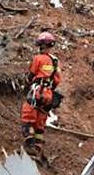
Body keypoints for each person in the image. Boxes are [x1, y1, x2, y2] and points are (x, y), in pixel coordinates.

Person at [21, 32, 63, 160]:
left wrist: (27, 84)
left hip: (37, 90)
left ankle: (30, 141)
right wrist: (49, 90)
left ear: (40, 45)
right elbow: (57, 80)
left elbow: (32, 73)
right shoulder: (55, 61)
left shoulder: (38, 58)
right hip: (48, 94)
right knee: (41, 118)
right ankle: (38, 146)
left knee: (28, 113)